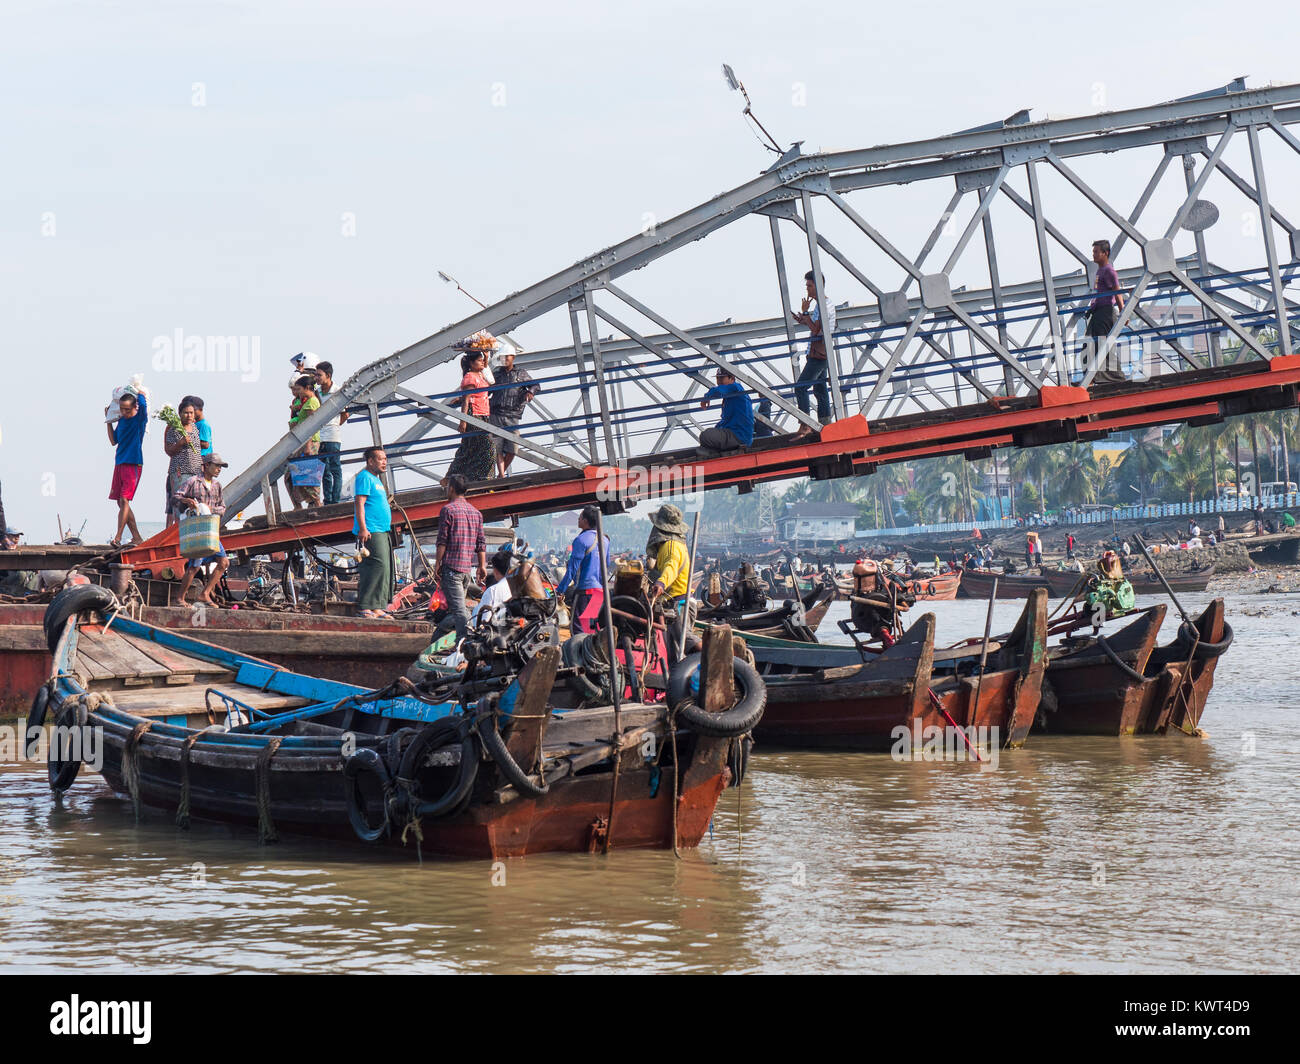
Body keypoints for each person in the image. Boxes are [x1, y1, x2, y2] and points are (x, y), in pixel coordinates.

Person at [431, 473, 487, 643]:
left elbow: (442, 541)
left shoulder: (448, 510)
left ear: (452, 489)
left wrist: (437, 564)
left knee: (459, 611)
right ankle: (456, 640)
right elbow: (481, 543)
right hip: (465, 571)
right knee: (458, 608)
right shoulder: (476, 513)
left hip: (452, 570)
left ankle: (464, 643)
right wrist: (482, 566)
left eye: (448, 487)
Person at [173, 453, 231, 607]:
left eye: (220, 466)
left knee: (223, 562)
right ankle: (180, 598)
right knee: (194, 566)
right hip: (197, 530)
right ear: (206, 466)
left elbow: (222, 507)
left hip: (211, 531)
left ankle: (204, 594)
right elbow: (176, 497)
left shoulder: (217, 485)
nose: (219, 469)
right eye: (216, 466)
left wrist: (209, 508)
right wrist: (187, 501)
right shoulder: (193, 481)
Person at [556, 505, 611, 633]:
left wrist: (560, 591)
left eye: (580, 517)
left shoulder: (580, 540)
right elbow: (606, 564)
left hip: (585, 592)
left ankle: (579, 652)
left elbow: (572, 570)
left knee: (578, 629)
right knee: (591, 628)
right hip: (599, 592)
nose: (578, 519)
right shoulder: (605, 540)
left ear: (585, 521)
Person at [792, 271, 835, 436]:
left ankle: (805, 425)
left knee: (801, 387)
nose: (807, 290)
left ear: (818, 285)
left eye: (809, 286)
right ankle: (826, 425)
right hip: (821, 352)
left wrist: (805, 313)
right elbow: (816, 326)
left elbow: (816, 330)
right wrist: (805, 319)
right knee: (820, 389)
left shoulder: (823, 305)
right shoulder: (824, 305)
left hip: (818, 354)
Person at [353, 447, 394, 619]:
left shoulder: (377, 480)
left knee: (385, 568)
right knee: (375, 566)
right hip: (371, 529)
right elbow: (359, 503)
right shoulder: (364, 477)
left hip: (382, 529)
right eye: (380, 459)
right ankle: (365, 606)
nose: (384, 462)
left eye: (385, 459)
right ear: (370, 461)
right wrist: (363, 527)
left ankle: (378, 606)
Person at [444, 352, 496, 484]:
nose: (482, 363)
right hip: (474, 414)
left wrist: (486, 357)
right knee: (488, 447)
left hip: (483, 414)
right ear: (472, 364)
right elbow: (467, 400)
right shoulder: (470, 377)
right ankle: (484, 478)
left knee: (469, 448)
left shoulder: (480, 375)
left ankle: (451, 477)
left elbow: (488, 383)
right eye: (479, 361)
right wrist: (463, 421)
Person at [105, 388, 148, 548]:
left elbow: (143, 406)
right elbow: (113, 441)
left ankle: (118, 536)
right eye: (122, 409)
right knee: (120, 502)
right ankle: (136, 537)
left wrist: (141, 393)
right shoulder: (121, 420)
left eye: (127, 409)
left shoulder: (139, 420)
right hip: (119, 462)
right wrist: (108, 420)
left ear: (134, 407)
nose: (124, 412)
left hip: (133, 463)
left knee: (124, 500)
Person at [488, 348, 537, 478]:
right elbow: (486, 391)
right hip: (496, 413)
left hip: (512, 415)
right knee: (497, 447)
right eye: (502, 357)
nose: (504, 359)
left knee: (513, 447)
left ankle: (500, 474)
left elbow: (535, 385)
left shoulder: (520, 374)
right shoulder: (497, 374)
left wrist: (530, 392)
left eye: (507, 357)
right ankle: (502, 475)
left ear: (513, 358)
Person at [1086, 239, 1127, 385]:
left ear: (1105, 253)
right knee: (1091, 345)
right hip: (1099, 312)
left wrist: (1123, 312)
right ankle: (1091, 378)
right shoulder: (1100, 270)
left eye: (1096, 252)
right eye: (1093, 252)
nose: (1094, 255)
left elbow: (1117, 290)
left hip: (1106, 313)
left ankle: (1115, 378)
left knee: (1102, 346)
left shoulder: (1109, 270)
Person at [163, 398, 204, 527]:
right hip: (181, 472)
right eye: (186, 413)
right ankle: (178, 533)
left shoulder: (195, 428)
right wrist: (180, 443)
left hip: (196, 472)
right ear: (180, 413)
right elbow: (168, 450)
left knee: (196, 505)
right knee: (179, 504)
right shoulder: (174, 429)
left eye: (191, 413)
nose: (189, 415)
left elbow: (197, 449)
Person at [284, 375, 322, 508]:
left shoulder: (312, 402)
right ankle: (299, 505)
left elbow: (312, 424)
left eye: (299, 389)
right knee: (290, 475)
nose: (297, 392)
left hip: (309, 442)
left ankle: (317, 503)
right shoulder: (305, 402)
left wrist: (308, 444)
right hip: (301, 441)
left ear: (307, 388)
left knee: (308, 474)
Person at [314, 361, 349, 505]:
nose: (316, 377)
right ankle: (328, 500)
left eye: (319, 375)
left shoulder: (337, 392)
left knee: (335, 469)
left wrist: (333, 425)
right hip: (320, 436)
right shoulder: (317, 393)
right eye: (316, 375)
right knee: (324, 470)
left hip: (333, 436)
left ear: (328, 375)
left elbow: (345, 414)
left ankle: (335, 499)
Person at [698, 368, 754, 453]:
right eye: (717, 378)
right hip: (736, 434)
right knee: (708, 434)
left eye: (722, 378)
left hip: (738, 435)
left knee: (706, 436)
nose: (719, 381)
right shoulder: (730, 396)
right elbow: (726, 420)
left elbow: (718, 390)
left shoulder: (736, 387)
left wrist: (707, 397)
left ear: (732, 378)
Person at [646, 504, 691, 607]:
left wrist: (661, 583)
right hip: (672, 599)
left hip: (676, 603)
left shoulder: (671, 546)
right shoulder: (669, 544)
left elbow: (671, 567)